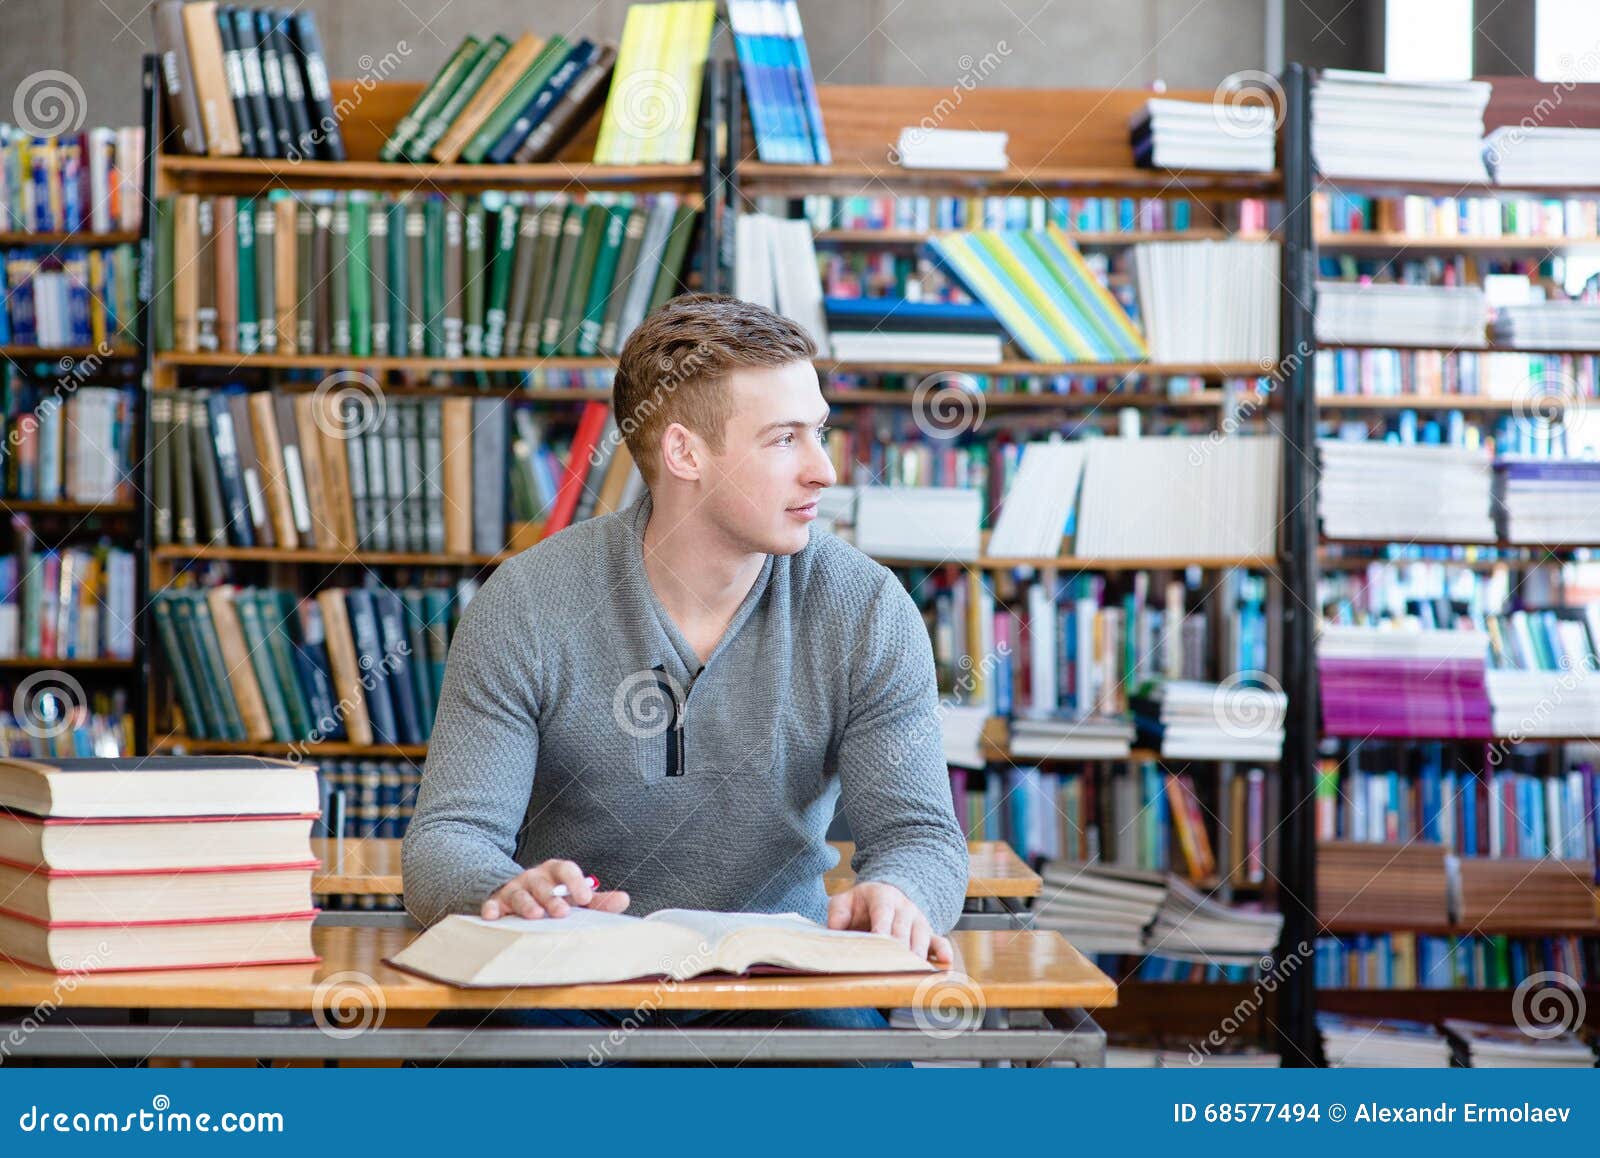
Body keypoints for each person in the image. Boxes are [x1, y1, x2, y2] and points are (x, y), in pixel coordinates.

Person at [402, 294, 968, 1065]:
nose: (824, 469)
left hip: (782, 987)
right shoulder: (528, 602)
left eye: (820, 432)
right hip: (567, 983)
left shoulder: (866, 608)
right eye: (784, 439)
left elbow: (921, 837)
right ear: (684, 453)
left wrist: (902, 895)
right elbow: (449, 840)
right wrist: (498, 892)